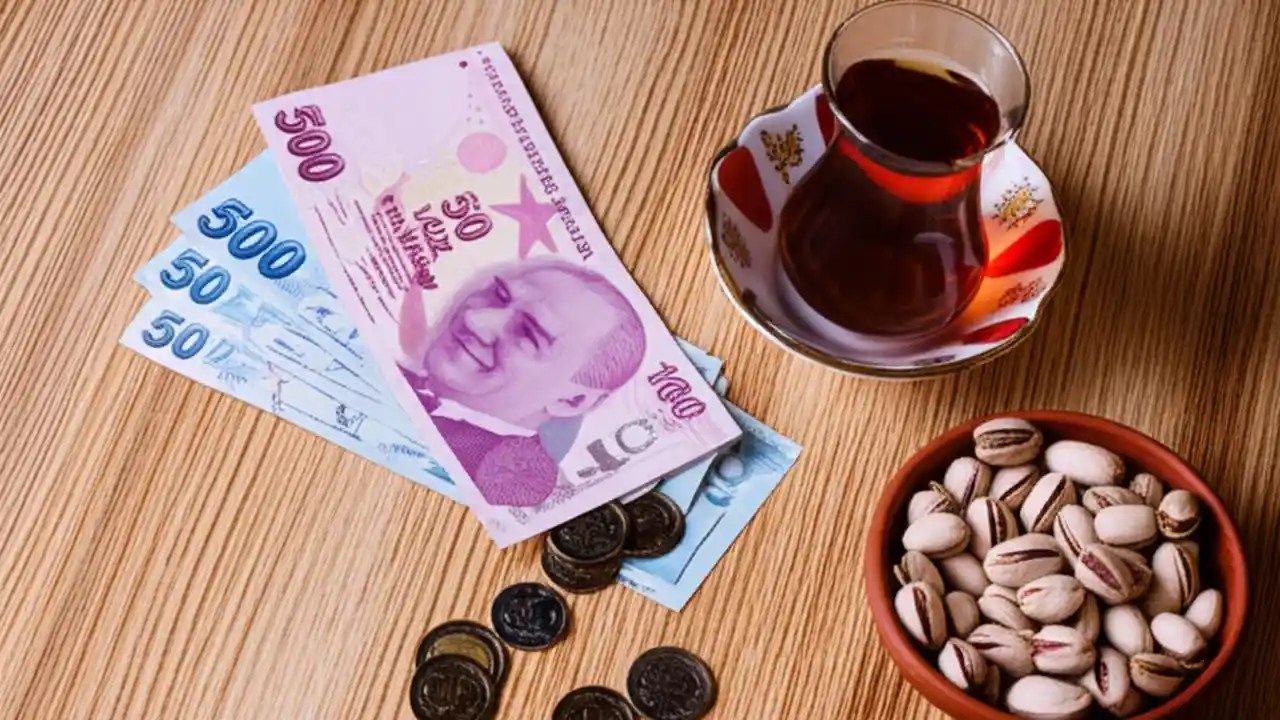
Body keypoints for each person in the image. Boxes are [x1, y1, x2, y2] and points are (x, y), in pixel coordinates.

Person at [397, 258, 647, 507]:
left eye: (528, 334)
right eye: (499, 295)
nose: (475, 318)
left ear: (571, 402)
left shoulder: (504, 483)